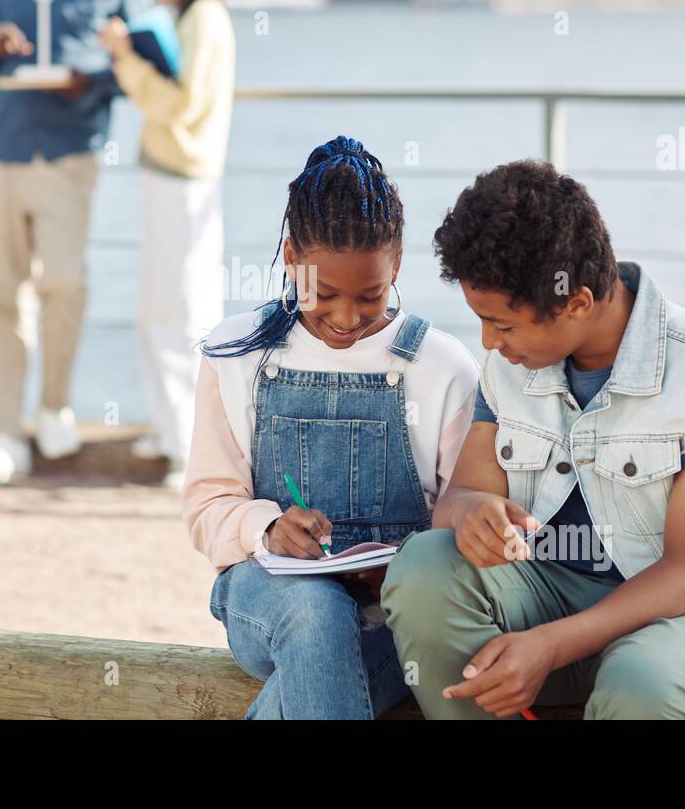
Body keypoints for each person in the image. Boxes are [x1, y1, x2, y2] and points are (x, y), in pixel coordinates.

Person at [380, 160, 685, 719]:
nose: (487, 342)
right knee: (425, 566)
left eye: (503, 324)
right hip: (544, 597)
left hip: (674, 621)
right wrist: (472, 511)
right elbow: (457, 500)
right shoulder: (512, 362)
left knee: (641, 686)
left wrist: (550, 644)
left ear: (576, 302)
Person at [184, 136, 481, 718]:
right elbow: (206, 506)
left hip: (395, 615)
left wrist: (406, 565)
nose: (346, 318)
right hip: (268, 601)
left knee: (335, 654)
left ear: (397, 262)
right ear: (291, 256)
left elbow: (467, 512)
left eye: (370, 296)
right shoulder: (235, 354)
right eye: (324, 294)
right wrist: (266, 528)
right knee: (317, 613)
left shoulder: (444, 369)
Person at [0, 0, 154, 487]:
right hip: (3, 151)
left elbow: (147, 67)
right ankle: (3, 433)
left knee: (64, 285)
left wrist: (89, 76)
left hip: (69, 157)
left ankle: (54, 408)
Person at [98, 0, 235, 489]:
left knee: (174, 312)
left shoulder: (203, 18)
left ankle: (187, 445)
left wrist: (125, 60)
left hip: (180, 177)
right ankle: (175, 431)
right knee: (174, 307)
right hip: (179, 177)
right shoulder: (199, 16)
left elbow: (178, 105)